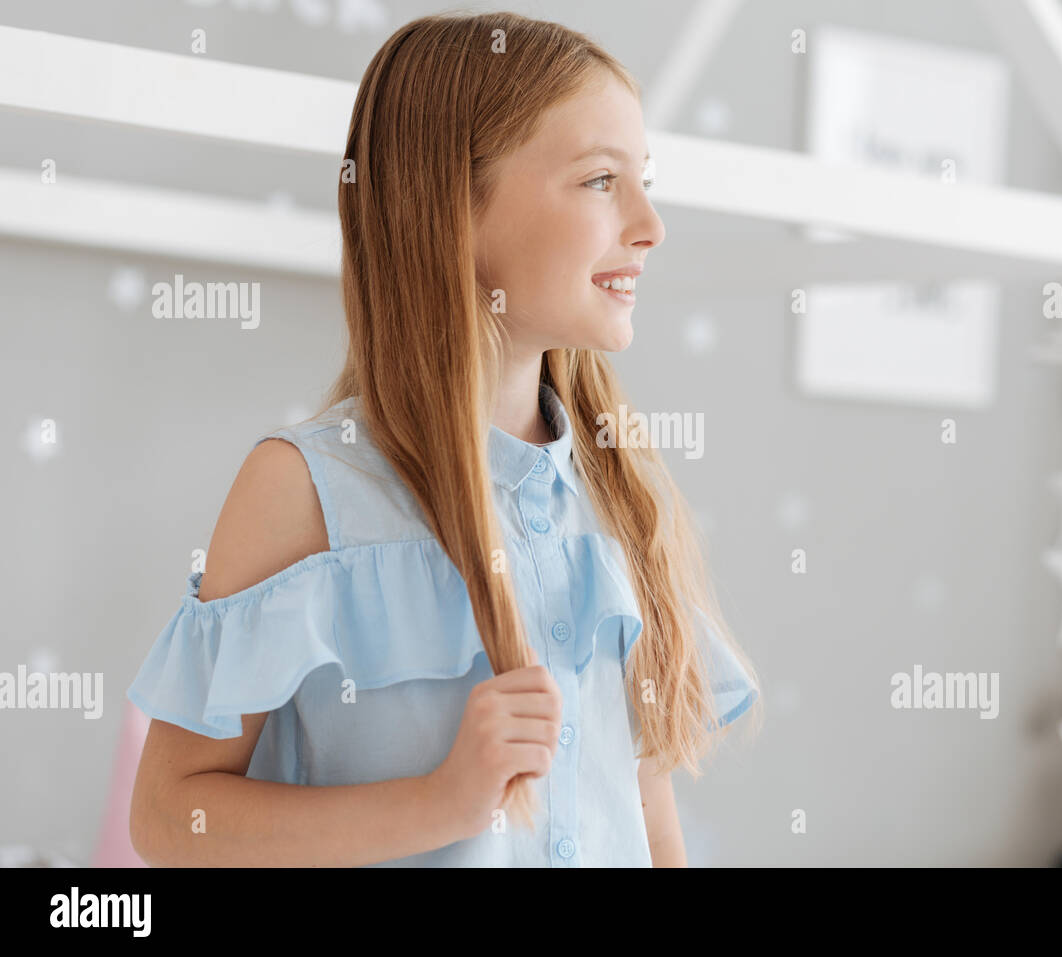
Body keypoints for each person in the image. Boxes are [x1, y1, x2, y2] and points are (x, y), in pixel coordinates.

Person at [126, 10, 761, 868]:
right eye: (601, 181)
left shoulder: (617, 492)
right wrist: (439, 805)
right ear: (452, 208)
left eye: (643, 179)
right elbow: (170, 818)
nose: (650, 223)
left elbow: (643, 803)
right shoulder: (302, 491)